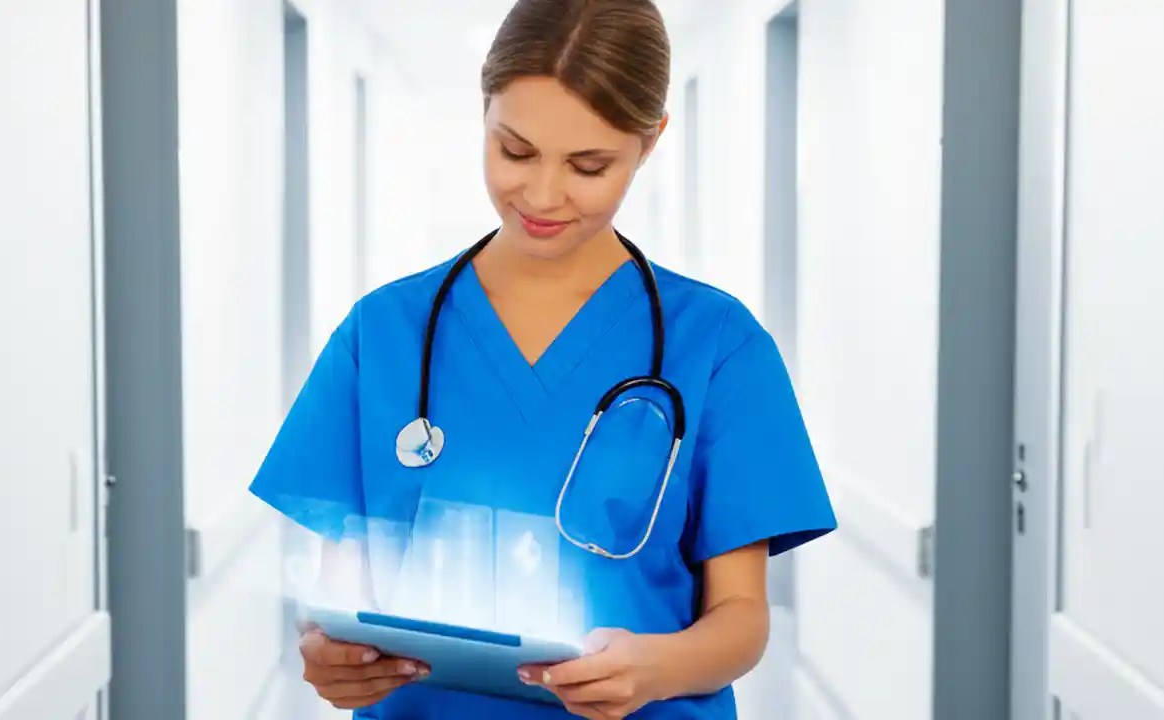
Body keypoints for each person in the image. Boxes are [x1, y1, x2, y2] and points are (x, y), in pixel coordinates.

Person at [248, 0, 836, 717]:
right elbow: (341, 593)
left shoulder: (717, 344)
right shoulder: (383, 333)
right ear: (484, 114)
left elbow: (741, 620)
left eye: (589, 166)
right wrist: (333, 660)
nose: (542, 194)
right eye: (516, 151)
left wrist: (654, 669)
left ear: (650, 142)